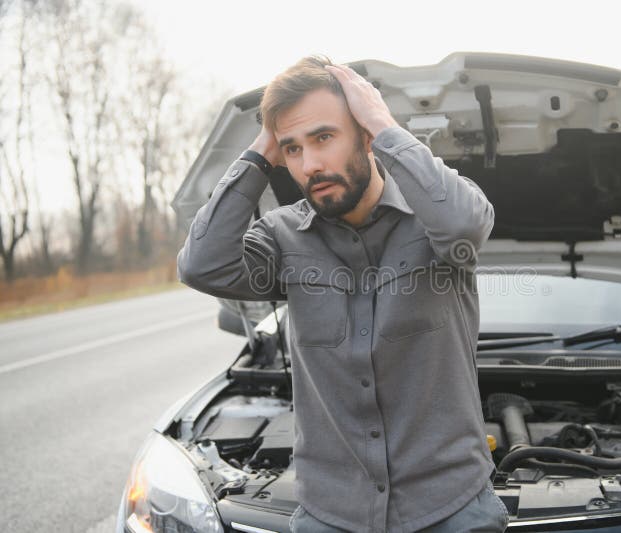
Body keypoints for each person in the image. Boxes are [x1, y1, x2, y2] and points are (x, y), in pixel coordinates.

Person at [177, 56, 507, 533]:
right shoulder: (280, 236)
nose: (309, 165)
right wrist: (259, 153)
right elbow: (200, 264)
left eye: (324, 138)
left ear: (366, 135)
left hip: (450, 509)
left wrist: (383, 121)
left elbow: (464, 224)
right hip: (330, 514)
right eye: (292, 149)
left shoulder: (436, 216)